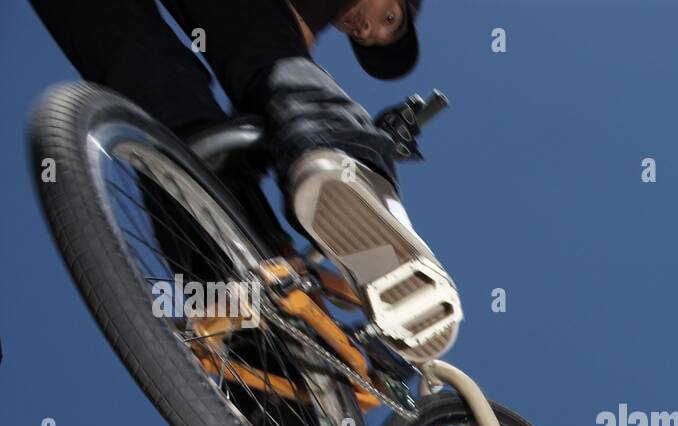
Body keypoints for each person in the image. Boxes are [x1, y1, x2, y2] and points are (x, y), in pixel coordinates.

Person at [29, 0, 460, 362]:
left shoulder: (299, 25)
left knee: (162, 108)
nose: (365, 30)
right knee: (263, 53)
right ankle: (347, 163)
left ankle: (250, 338)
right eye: (388, 19)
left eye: (367, 39)